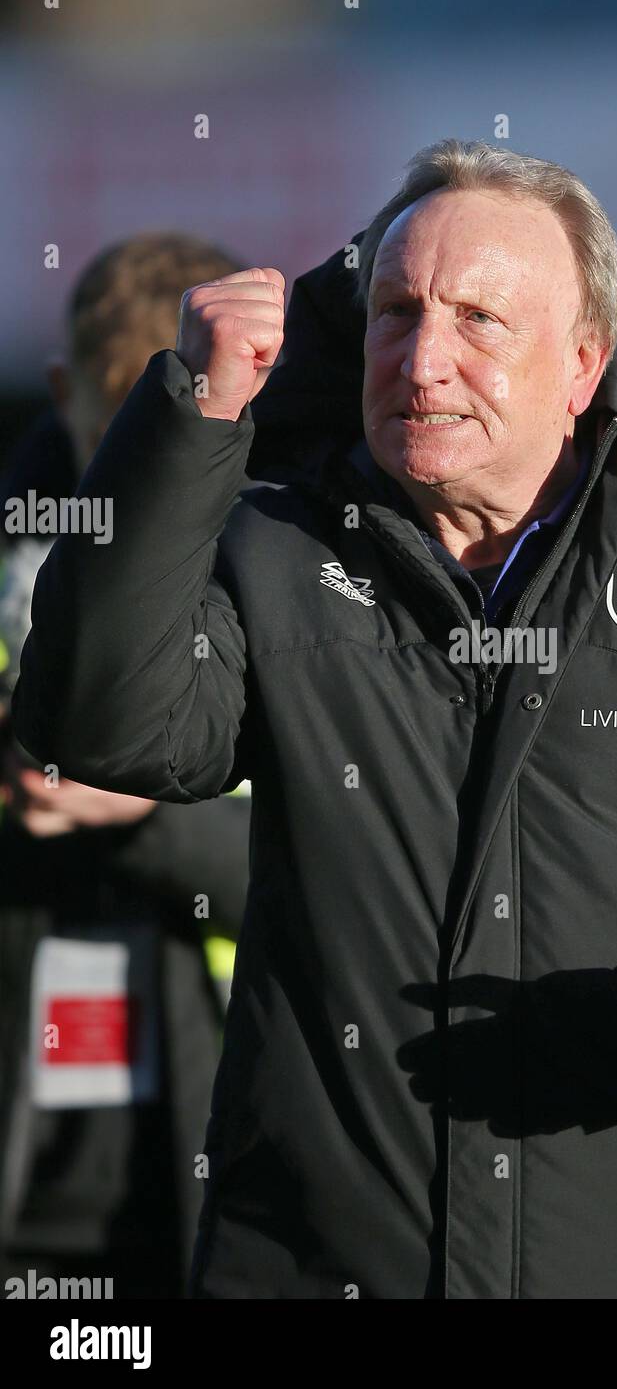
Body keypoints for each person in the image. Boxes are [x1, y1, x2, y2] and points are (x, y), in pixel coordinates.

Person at [11, 140, 617, 1300]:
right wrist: (194, 413)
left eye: (478, 319)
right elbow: (98, 721)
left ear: (583, 363)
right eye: (395, 313)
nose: (424, 360)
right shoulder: (270, 547)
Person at [0, 233, 252, 1297]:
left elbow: (352, 873)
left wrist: (141, 812)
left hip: (215, 1156)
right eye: (121, 441)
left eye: (167, 443)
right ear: (65, 394)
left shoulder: (290, 578)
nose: (140, 490)